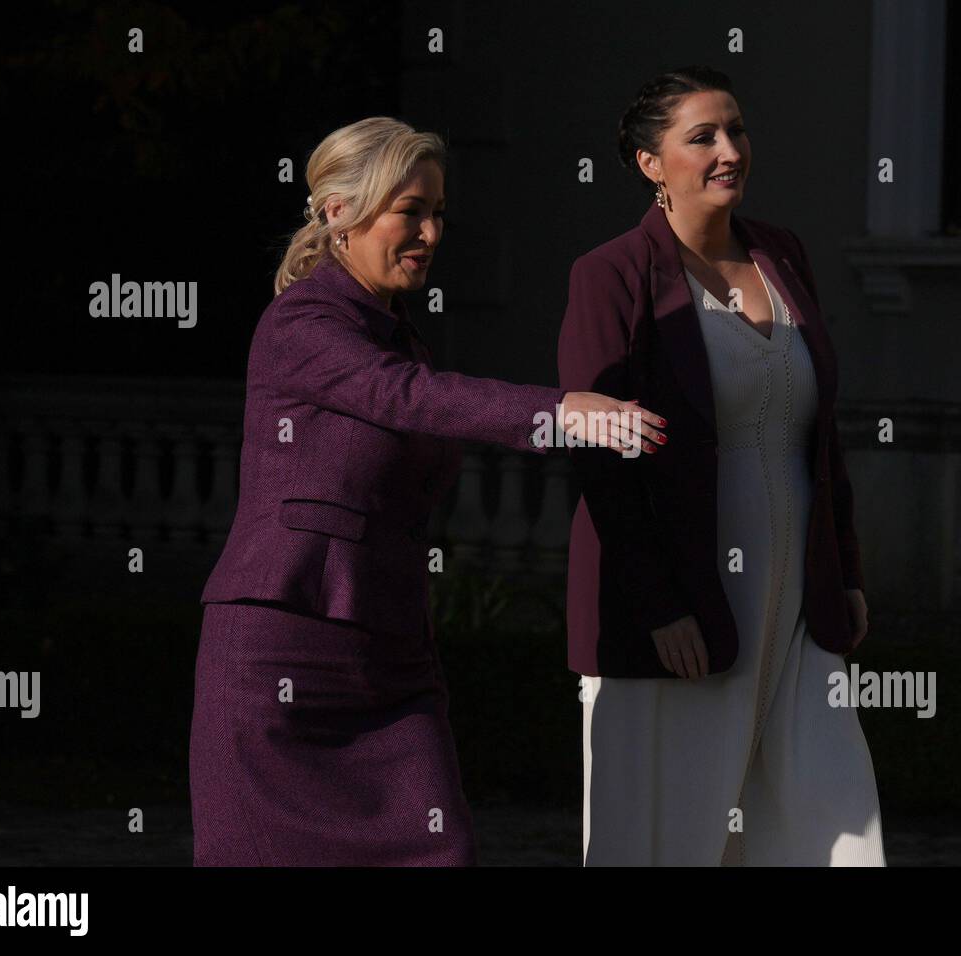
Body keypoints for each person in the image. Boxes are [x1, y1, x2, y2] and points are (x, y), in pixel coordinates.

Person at [189, 117, 665, 866]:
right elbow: (408, 398)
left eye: (438, 212)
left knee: (443, 850)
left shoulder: (393, 330)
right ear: (339, 212)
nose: (432, 231)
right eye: (410, 210)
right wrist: (559, 412)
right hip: (281, 650)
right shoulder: (303, 321)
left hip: (392, 659)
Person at [559, 67, 885, 865]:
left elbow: (820, 433)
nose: (729, 149)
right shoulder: (611, 275)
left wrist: (845, 569)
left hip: (798, 598)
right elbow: (600, 459)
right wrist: (659, 605)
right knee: (668, 837)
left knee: (833, 826)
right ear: (649, 164)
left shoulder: (783, 255)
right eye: (701, 136)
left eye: (735, 129)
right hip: (681, 606)